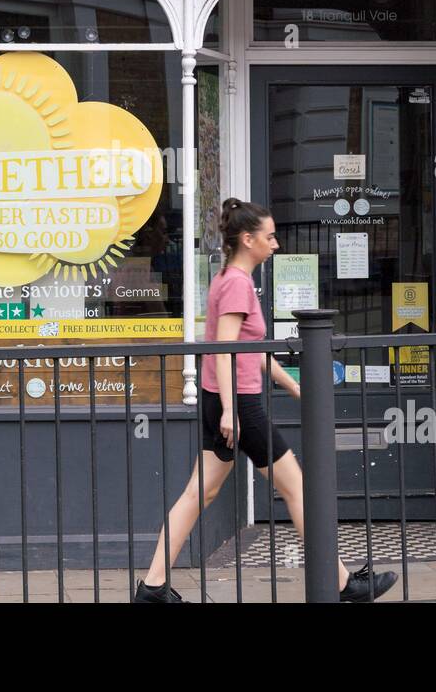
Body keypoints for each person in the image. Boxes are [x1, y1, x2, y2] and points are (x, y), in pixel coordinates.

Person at [134, 197, 399, 604]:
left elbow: (250, 348)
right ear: (248, 239)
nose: (275, 244)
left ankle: (151, 587)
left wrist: (293, 386)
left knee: (198, 493)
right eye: (270, 236)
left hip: (223, 399)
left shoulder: (228, 277)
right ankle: (343, 583)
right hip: (238, 404)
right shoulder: (238, 283)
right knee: (298, 489)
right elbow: (223, 349)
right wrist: (228, 409)